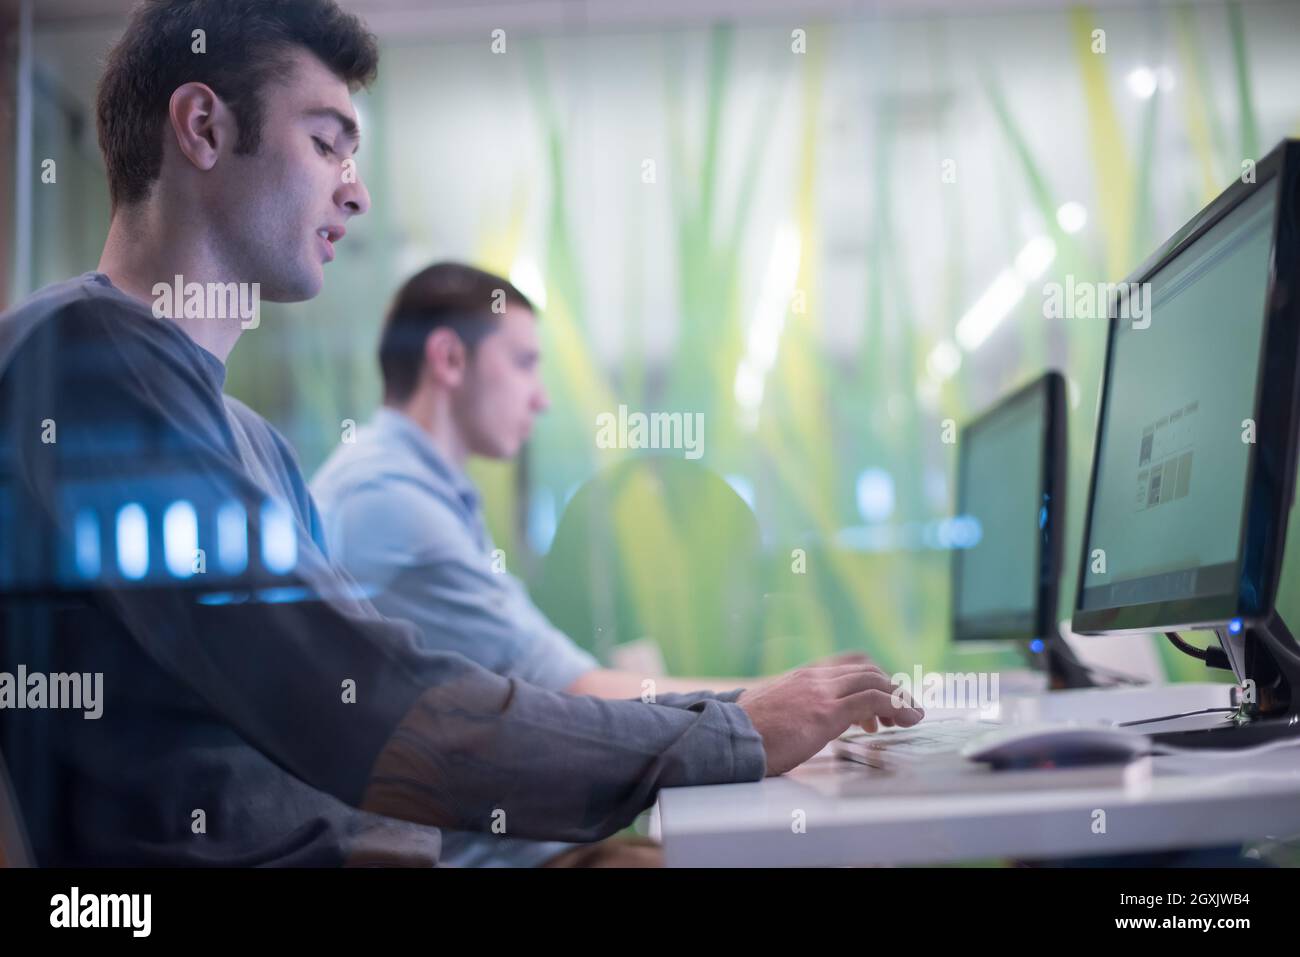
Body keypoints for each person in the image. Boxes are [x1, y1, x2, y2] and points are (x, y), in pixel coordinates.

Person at [0, 0, 922, 867]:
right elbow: (374, 706)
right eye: (326, 143)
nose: (354, 194)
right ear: (203, 128)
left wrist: (732, 719)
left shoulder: (252, 440)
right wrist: (737, 728)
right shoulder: (80, 355)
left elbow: (375, 696)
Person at [311, 262, 884, 865]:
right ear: (450, 359)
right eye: (525, 362)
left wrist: (781, 706)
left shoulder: (415, 492)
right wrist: (780, 706)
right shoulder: (388, 503)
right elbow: (573, 690)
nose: (543, 397)